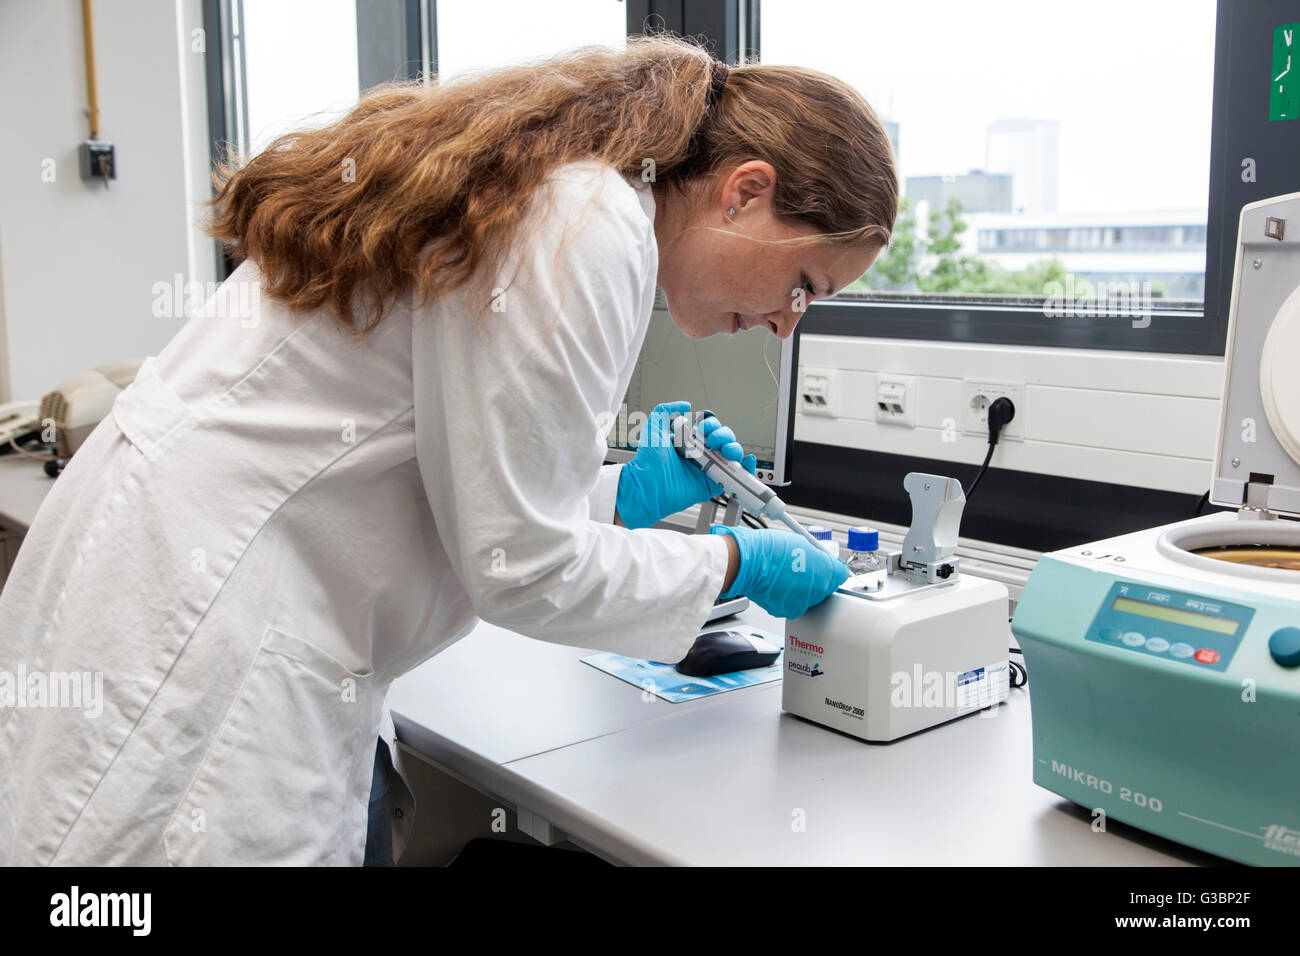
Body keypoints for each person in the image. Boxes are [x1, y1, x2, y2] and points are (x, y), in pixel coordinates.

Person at [0, 34, 897, 865]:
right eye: (805, 284)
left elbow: (457, 468)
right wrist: (734, 562)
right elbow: (523, 569)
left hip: (194, 583)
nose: (785, 326)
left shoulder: (568, 195)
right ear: (745, 189)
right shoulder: (588, 223)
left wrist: (614, 497)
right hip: (207, 627)